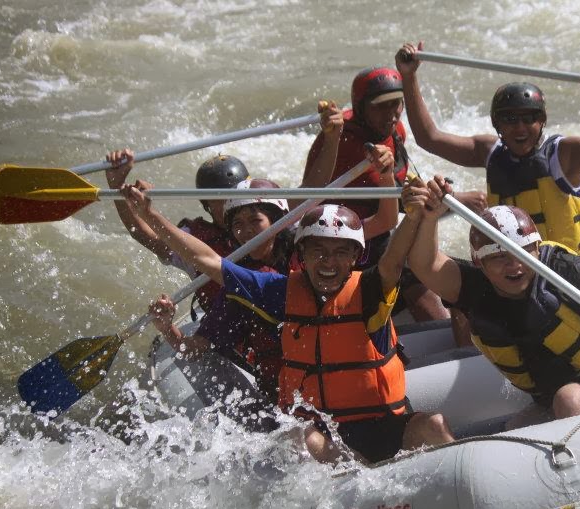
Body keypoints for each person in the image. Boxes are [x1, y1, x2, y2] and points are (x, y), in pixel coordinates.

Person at [121, 172, 455, 464]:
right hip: (328, 434)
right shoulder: (280, 291)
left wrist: (417, 214)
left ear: (355, 257)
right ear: (302, 255)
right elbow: (208, 260)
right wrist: (150, 215)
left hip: (383, 424)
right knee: (301, 438)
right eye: (318, 251)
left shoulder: (372, 290)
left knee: (434, 424)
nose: (328, 262)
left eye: (340, 252)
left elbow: (394, 259)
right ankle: (354, 486)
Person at [403, 176, 580, 420]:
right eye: (500, 257)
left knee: (569, 399)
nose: (515, 265)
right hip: (555, 394)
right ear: (480, 262)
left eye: (524, 252)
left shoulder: (562, 267)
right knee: (516, 426)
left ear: (537, 248)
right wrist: (430, 217)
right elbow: (424, 264)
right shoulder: (474, 287)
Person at [395, 42, 580, 266]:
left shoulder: (563, 154)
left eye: (529, 118)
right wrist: (409, 76)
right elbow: (429, 138)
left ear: (542, 121)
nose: (520, 128)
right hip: (513, 274)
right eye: (510, 119)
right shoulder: (489, 152)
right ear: (497, 124)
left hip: (567, 274)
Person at [301, 67, 457, 322]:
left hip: (380, 231)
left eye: (397, 104)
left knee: (425, 273)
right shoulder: (339, 138)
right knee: (408, 268)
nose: (391, 114)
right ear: (361, 108)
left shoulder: (395, 131)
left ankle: (446, 328)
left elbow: (397, 192)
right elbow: (307, 199)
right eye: (381, 106)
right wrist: (331, 140)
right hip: (344, 238)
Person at [148, 178, 295, 419]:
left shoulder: (308, 257)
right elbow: (193, 349)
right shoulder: (239, 287)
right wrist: (166, 327)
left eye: (255, 221)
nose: (246, 231)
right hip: (281, 394)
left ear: (278, 220)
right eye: (238, 224)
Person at [106, 149, 248, 312]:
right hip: (224, 320)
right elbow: (144, 234)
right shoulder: (196, 238)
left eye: (235, 197)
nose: (230, 204)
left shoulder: (267, 222)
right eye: (221, 199)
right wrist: (117, 186)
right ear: (207, 205)